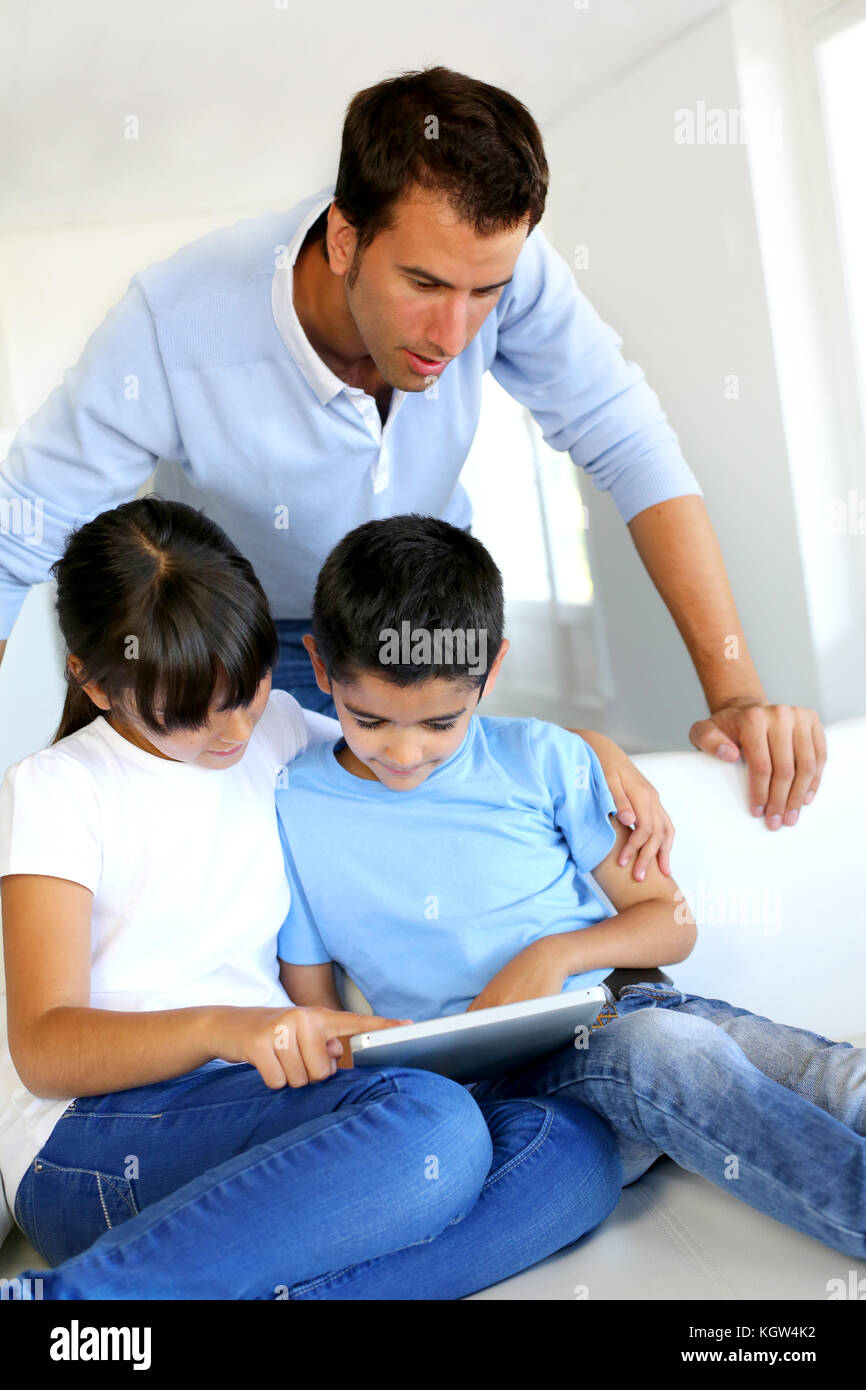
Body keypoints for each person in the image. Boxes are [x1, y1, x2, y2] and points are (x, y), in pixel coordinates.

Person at [0, 66, 824, 837]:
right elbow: (13, 540)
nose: (456, 334)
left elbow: (633, 446)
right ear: (344, 236)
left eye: (485, 294)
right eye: (424, 286)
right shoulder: (174, 322)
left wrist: (737, 692)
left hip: (421, 627)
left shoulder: (508, 273)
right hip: (249, 645)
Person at [0, 496, 622, 1300]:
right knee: (430, 1123)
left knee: (572, 1150)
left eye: (248, 688)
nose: (230, 732)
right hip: (92, 1144)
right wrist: (233, 1029)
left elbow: (432, 749)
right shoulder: (57, 790)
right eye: (187, 713)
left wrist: (596, 752)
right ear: (92, 679)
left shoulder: (281, 728)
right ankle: (71, 1310)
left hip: (257, 1110)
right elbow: (46, 1049)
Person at [275, 513, 866, 1259]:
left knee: (833, 1078)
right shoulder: (295, 806)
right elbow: (312, 998)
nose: (404, 752)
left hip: (635, 1005)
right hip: (508, 1094)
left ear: (490, 672)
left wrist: (554, 954)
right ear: (320, 670)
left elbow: (670, 920)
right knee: (663, 1051)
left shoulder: (543, 759)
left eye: (440, 724)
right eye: (368, 719)